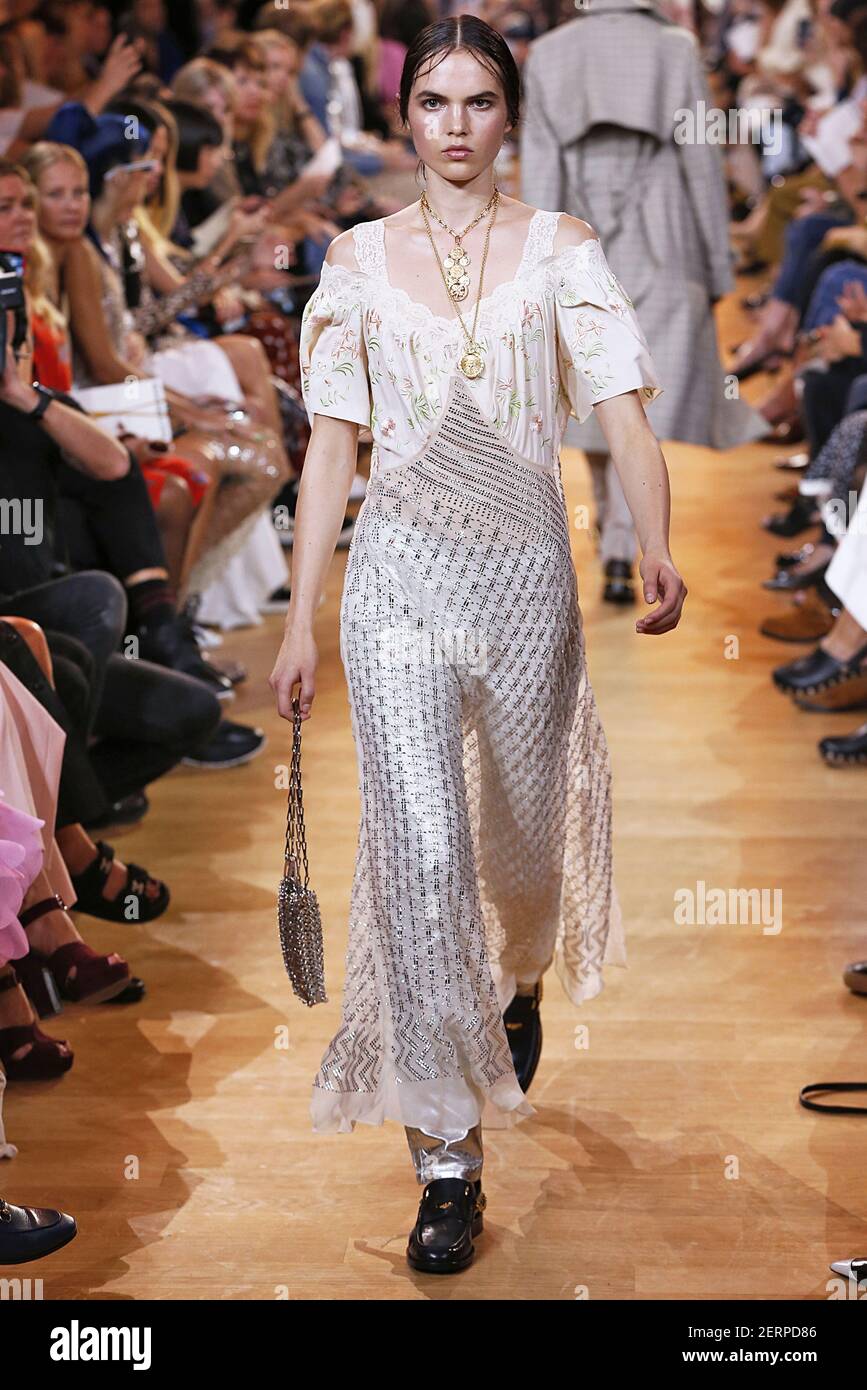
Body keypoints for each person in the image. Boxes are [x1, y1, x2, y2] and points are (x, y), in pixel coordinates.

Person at [269, 14, 687, 1275]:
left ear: (514, 117)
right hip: (394, 578)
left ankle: (519, 983)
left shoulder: (564, 251)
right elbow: (331, 447)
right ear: (406, 117)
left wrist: (655, 542)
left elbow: (621, 409)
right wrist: (298, 621)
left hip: (522, 578)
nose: (456, 127)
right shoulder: (351, 261)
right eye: (434, 103)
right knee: (421, 852)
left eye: (480, 104)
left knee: (513, 852)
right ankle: (447, 1156)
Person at [519, 0, 769, 603]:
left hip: (579, 229)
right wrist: (715, 260)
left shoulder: (552, 53)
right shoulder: (674, 47)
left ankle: (611, 531)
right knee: (636, 393)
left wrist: (541, 264)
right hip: (665, 227)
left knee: (588, 379)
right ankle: (626, 538)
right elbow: (700, 158)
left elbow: (543, 166)